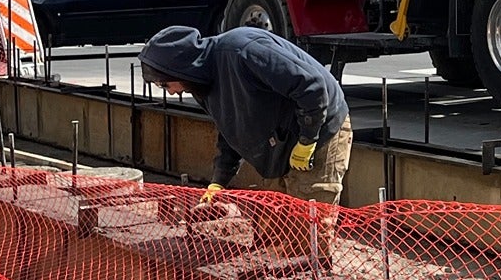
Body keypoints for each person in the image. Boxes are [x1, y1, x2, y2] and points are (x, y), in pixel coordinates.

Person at [139, 24, 351, 210]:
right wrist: (218, 182)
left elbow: (312, 87)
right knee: (278, 222)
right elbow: (231, 129)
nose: (170, 93)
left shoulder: (243, 50)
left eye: (165, 84)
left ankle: (317, 257)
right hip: (282, 135)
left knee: (310, 217)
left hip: (320, 126)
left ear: (180, 70)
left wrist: (307, 140)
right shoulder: (200, 84)